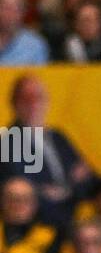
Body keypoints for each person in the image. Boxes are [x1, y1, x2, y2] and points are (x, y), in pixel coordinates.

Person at [0, 76, 95, 227]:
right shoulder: (8, 141)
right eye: (27, 99)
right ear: (14, 104)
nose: (34, 104)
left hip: (71, 221)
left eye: (38, 98)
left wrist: (65, 190)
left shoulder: (58, 137)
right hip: (36, 227)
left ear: (47, 102)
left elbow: (89, 179)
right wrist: (70, 186)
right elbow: (22, 189)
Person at [0, 0, 50, 66]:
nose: (12, 13)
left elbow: (40, 77)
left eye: (18, 8)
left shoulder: (35, 45)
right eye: (6, 7)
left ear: (24, 13)